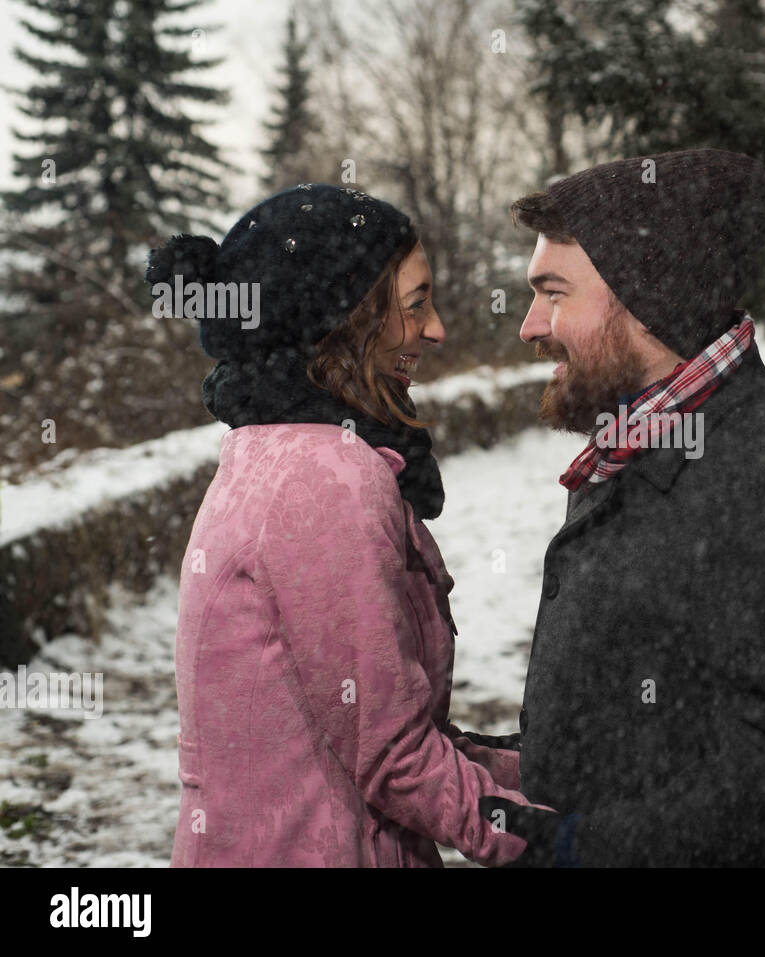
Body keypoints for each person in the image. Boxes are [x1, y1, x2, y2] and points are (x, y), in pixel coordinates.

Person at [479, 148, 765, 866]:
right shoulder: (639, 450)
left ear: (646, 299)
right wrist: (516, 766)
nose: (529, 326)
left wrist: (589, 849)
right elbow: (666, 720)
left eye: (553, 293)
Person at [150, 184, 543, 867]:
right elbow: (398, 760)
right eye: (416, 303)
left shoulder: (268, 448)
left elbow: (378, 726)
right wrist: (561, 842)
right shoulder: (325, 476)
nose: (439, 328)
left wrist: (540, 769)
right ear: (346, 318)